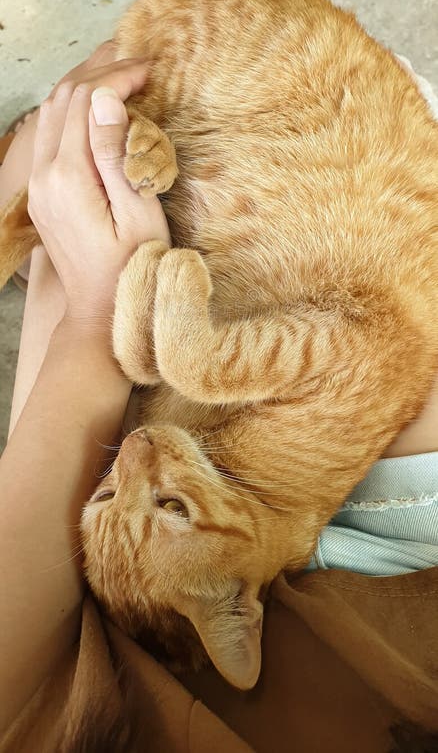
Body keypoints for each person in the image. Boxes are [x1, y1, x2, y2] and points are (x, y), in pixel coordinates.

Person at [0, 43, 437, 753]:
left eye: (107, 496)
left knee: (52, 155)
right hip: (382, 557)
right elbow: (376, 343)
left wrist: (94, 310)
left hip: (102, 646)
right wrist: (170, 345)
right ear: (241, 608)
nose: (132, 459)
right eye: (162, 503)